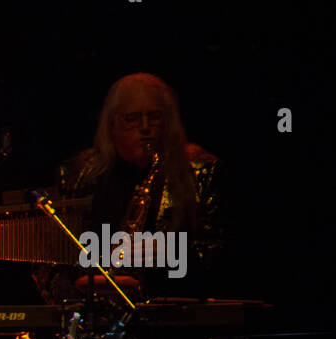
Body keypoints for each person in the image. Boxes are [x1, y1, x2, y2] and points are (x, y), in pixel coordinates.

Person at [38, 72, 222, 303]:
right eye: (132, 118)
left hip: (170, 315)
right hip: (93, 315)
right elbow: (51, 260)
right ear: (112, 123)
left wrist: (173, 254)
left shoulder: (201, 171)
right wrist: (80, 289)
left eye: (154, 117)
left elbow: (223, 254)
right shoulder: (76, 174)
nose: (145, 128)